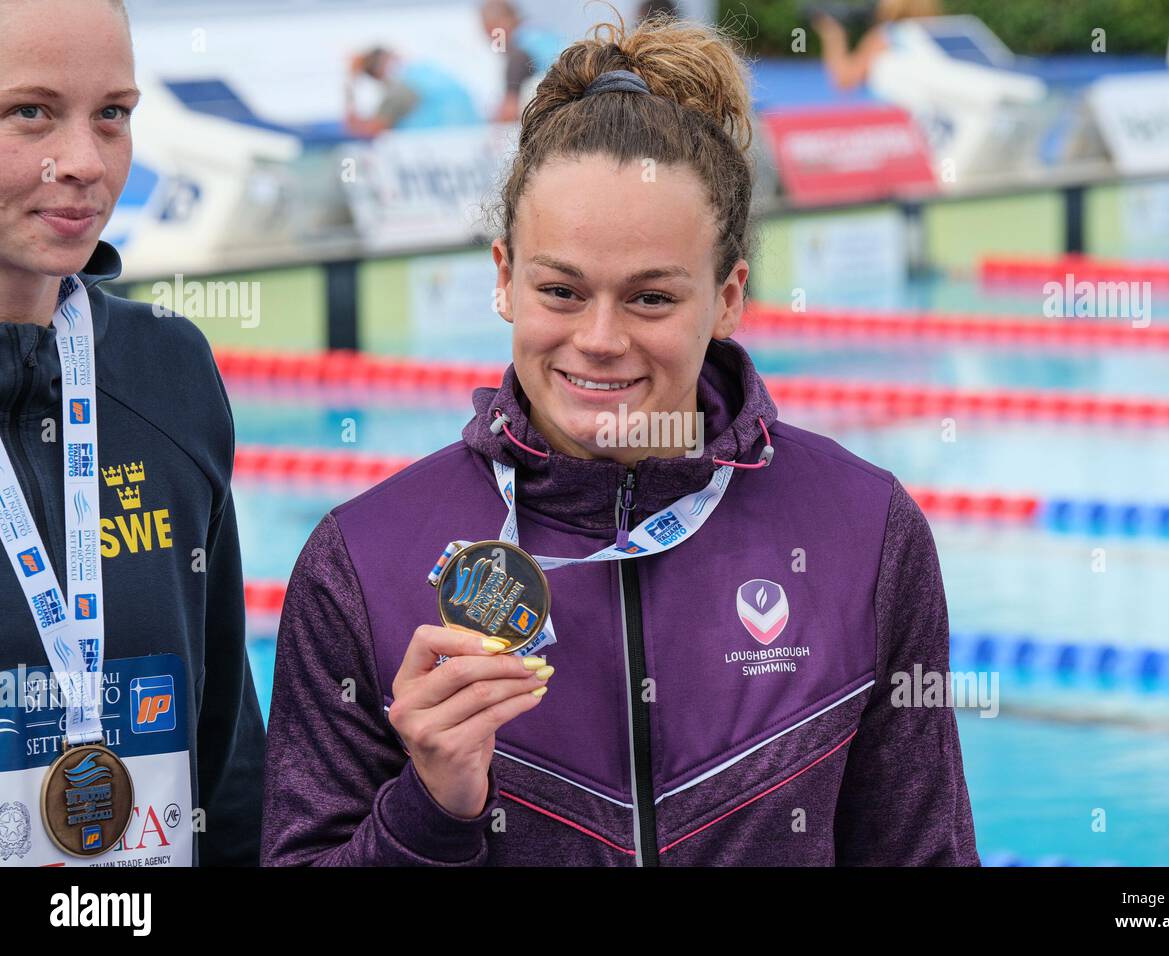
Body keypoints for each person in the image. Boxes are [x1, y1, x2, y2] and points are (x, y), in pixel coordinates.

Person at [262, 8, 978, 866]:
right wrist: (431, 809)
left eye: (650, 298)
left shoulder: (864, 533)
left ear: (728, 296)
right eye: (562, 291)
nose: (599, 339)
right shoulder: (363, 564)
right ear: (504, 279)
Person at [0, 0, 264, 866]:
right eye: (29, 111)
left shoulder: (169, 372)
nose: (83, 162)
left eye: (112, 114)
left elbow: (225, 754)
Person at [344, 46, 479, 138]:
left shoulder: (400, 91)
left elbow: (367, 131)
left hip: (435, 151)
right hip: (471, 138)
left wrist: (350, 83)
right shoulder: (427, 72)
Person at [812, 0, 941, 91]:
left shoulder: (888, 35)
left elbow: (845, 80)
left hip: (896, 117)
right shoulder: (940, 31)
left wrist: (833, 35)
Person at [480, 0, 565, 122]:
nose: (491, 40)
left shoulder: (518, 54)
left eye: (491, 31)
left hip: (556, 100)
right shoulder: (540, 33)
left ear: (503, 22)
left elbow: (510, 110)